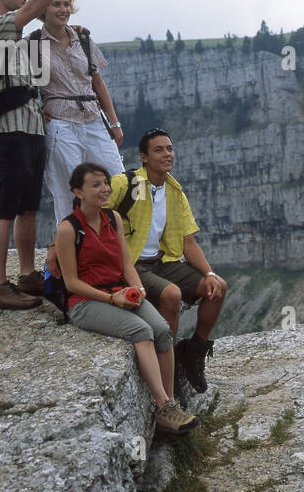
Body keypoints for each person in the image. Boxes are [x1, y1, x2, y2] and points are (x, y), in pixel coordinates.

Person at [0, 0, 87, 310]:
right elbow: (36, 7)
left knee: (27, 208)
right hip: (7, 132)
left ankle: (26, 275)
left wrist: (73, 30)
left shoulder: (18, 36)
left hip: (31, 126)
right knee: (4, 209)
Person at [54, 162, 198, 436]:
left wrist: (137, 289)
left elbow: (125, 263)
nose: (104, 189)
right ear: (78, 192)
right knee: (141, 331)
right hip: (85, 302)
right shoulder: (68, 229)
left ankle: (171, 405)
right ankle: (162, 405)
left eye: (105, 183)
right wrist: (112, 299)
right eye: (95, 185)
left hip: (121, 290)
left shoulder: (112, 219)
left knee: (163, 331)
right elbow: (72, 283)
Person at [108, 130, 226, 394]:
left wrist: (208, 273)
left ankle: (193, 351)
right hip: (133, 263)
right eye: (159, 150)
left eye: (169, 148)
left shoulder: (174, 192)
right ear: (144, 158)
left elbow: (188, 243)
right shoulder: (125, 183)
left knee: (217, 288)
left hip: (163, 260)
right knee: (171, 295)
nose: (167, 154)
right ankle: (169, 367)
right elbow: (89, 209)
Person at [33, 0, 125, 227]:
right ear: (42, 8)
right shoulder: (32, 44)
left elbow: (97, 81)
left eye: (66, 4)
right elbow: (19, 83)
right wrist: (35, 108)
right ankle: (71, 251)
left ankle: (114, 242)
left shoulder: (82, 39)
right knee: (70, 190)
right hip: (60, 122)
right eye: (56, 4)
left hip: (93, 117)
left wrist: (114, 122)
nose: (63, 10)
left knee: (117, 180)